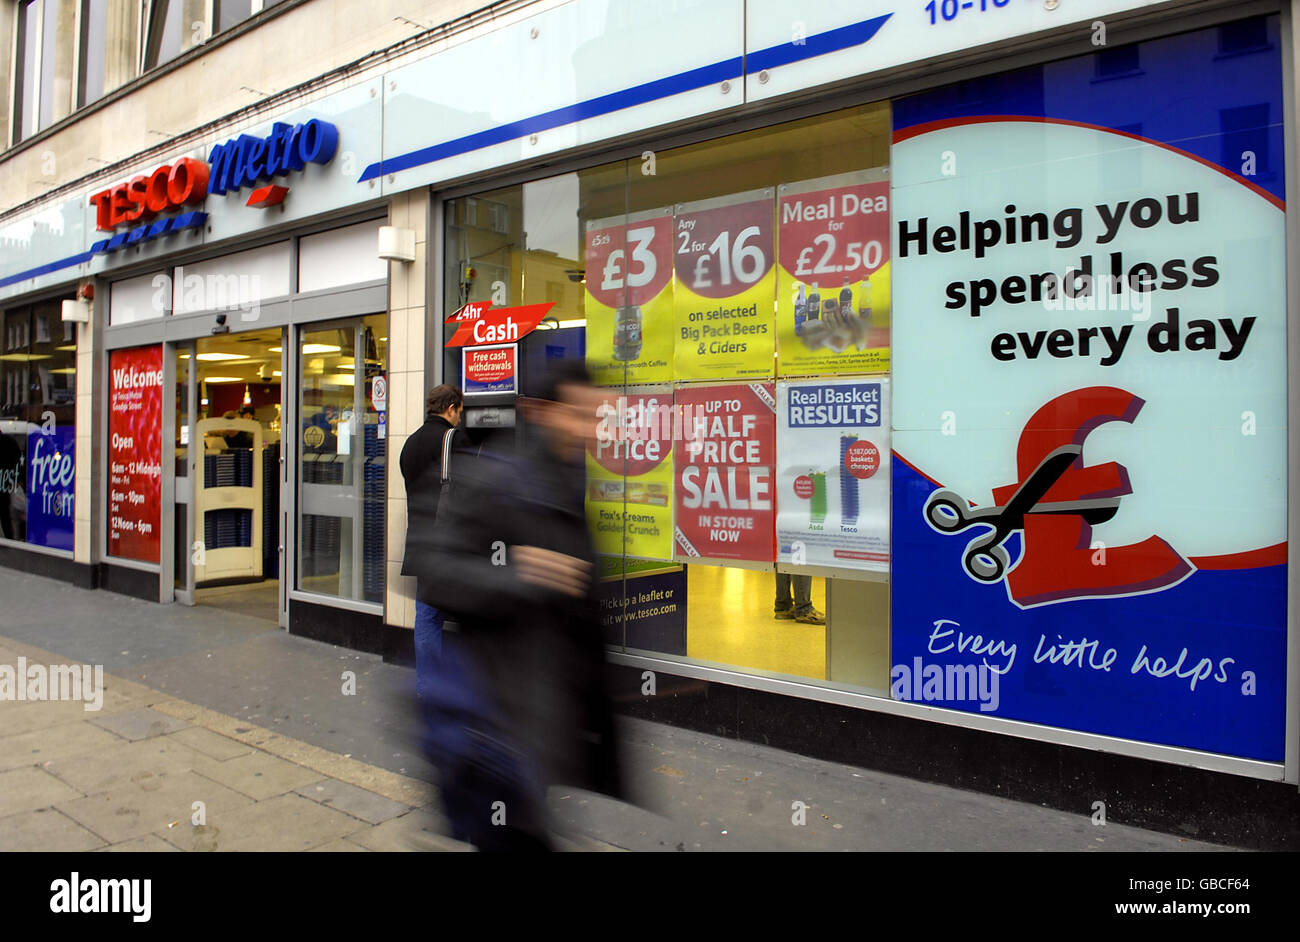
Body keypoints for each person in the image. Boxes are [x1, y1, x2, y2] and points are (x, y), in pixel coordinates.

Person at [411, 360, 625, 851]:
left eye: (597, 416)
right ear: (541, 413)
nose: (590, 429)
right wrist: (515, 576)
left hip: (543, 727)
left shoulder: (571, 489)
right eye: (578, 414)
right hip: (498, 726)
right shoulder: (498, 481)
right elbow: (433, 568)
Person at [398, 384, 464, 704]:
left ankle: (428, 685)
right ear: (451, 408)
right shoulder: (451, 439)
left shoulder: (409, 444)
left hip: (422, 541)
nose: (461, 419)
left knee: (426, 614)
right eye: (460, 412)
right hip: (450, 543)